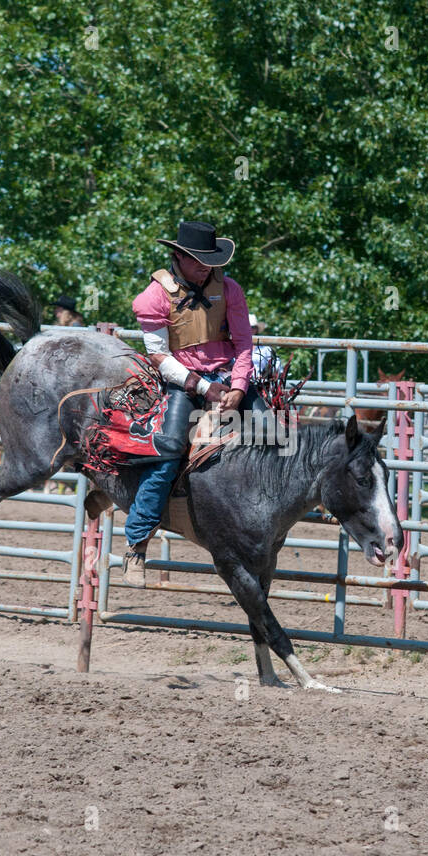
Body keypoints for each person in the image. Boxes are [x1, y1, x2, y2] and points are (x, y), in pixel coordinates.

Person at [122, 220, 266, 586]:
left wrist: (238, 385)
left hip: (227, 375)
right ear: (178, 257)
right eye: (199, 259)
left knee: (274, 432)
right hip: (183, 381)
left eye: (211, 259)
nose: (207, 266)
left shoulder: (229, 289)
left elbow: (244, 342)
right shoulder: (153, 298)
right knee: (169, 448)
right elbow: (159, 357)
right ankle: (137, 544)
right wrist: (205, 388)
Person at [249, 313, 276, 379]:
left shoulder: (266, 349)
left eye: (253, 327)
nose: (250, 329)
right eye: (247, 327)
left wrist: (265, 375)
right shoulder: (236, 346)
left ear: (256, 329)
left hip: (260, 383)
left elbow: (276, 365)